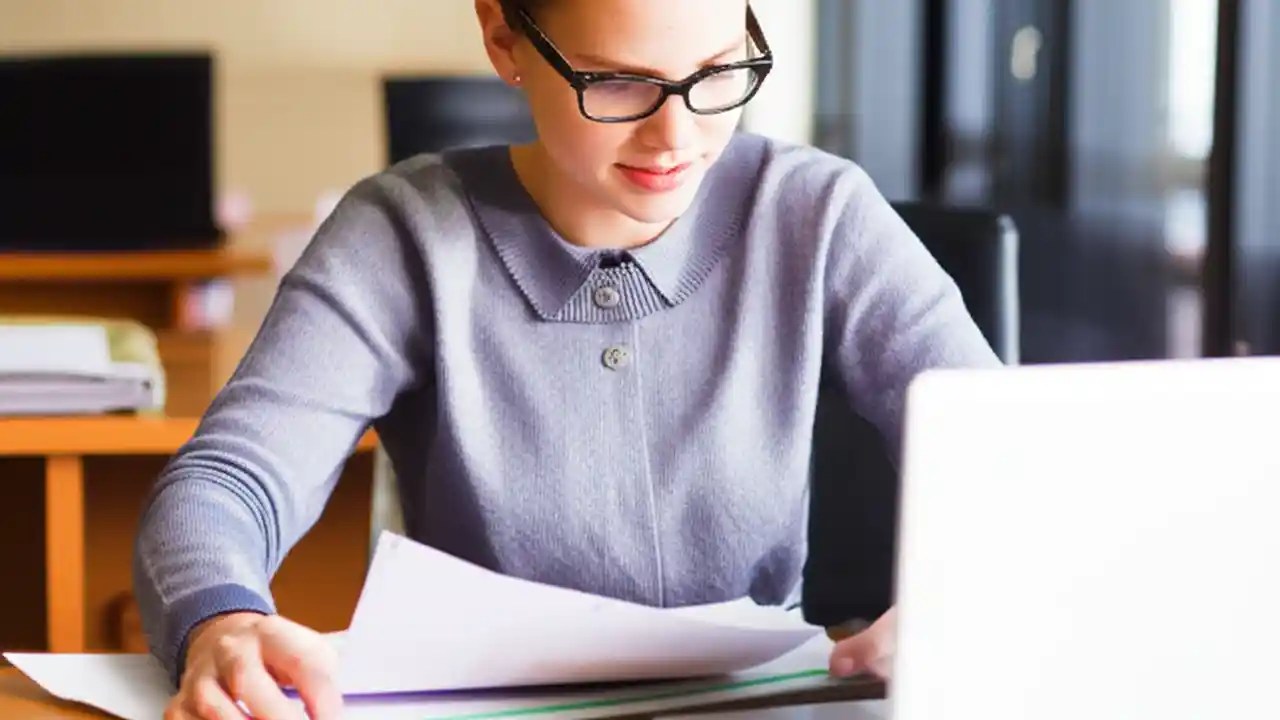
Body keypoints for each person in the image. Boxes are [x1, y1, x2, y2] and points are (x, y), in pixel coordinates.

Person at [135, 0, 1001, 717]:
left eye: (717, 72)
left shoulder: (819, 215)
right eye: (619, 81)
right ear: (504, 39)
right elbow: (226, 484)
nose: (677, 135)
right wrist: (224, 620)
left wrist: (968, 598)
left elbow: (1021, 466)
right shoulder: (401, 235)